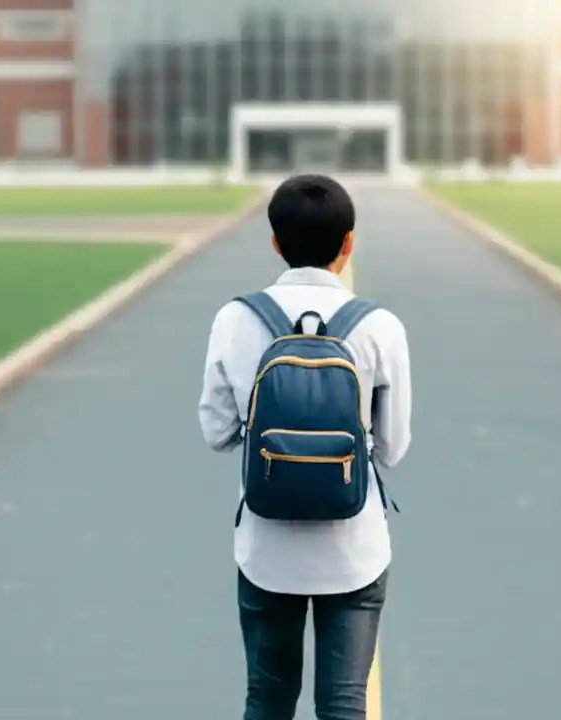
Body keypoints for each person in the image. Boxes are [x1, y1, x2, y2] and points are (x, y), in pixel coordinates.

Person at [198, 174, 412, 720]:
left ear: (275, 242)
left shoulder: (234, 319)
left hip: (267, 548)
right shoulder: (380, 328)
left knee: (266, 700)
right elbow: (392, 447)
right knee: (344, 703)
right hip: (353, 549)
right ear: (349, 243)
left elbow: (216, 432)